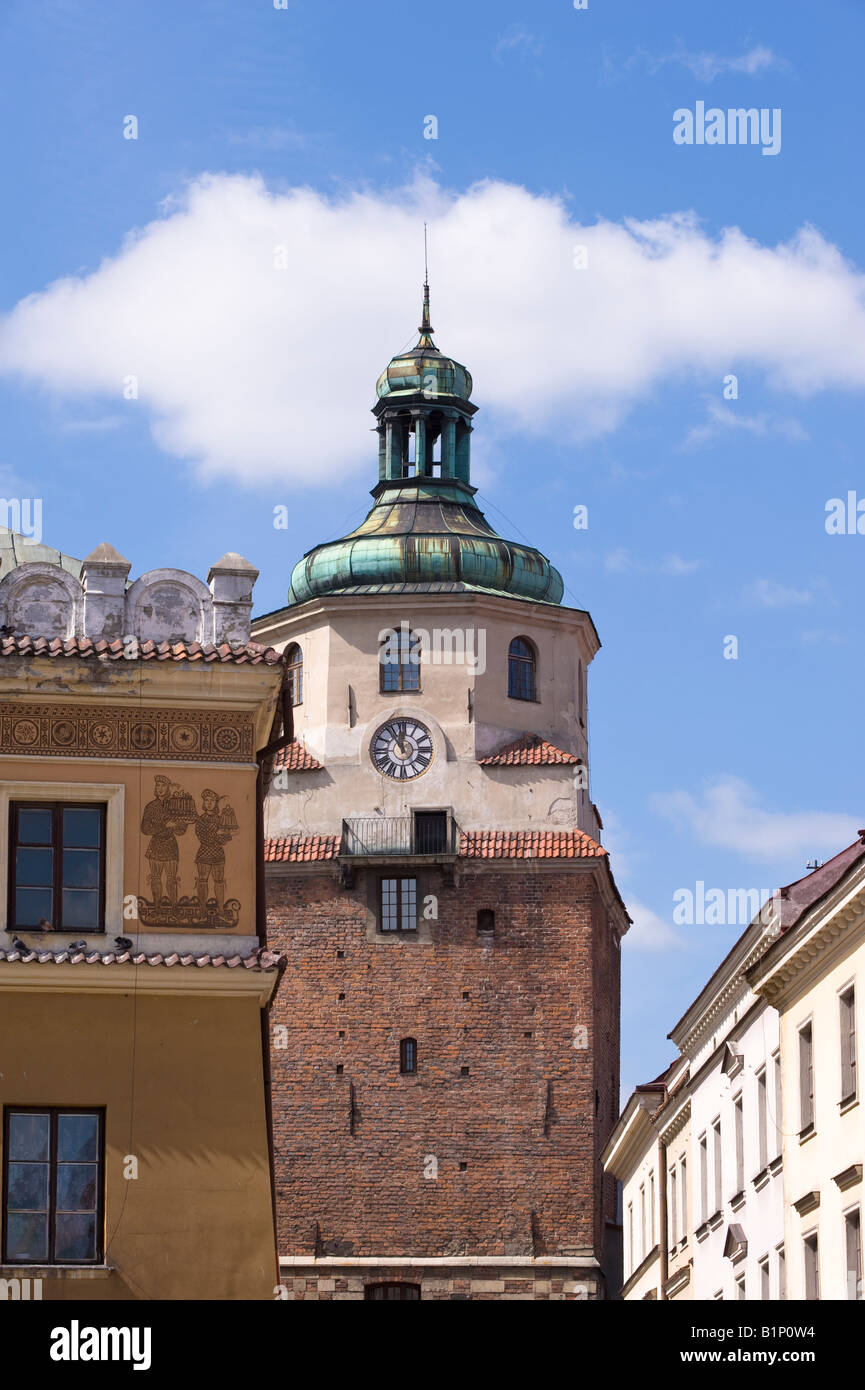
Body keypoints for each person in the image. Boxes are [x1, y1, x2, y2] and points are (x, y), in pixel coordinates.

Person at [140, 775, 189, 904]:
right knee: (155, 878)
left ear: (168, 788)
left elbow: (181, 830)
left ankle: (174, 907)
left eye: (164, 785)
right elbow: (145, 828)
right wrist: (164, 825)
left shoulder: (175, 805)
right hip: (155, 845)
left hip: (170, 845)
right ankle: (157, 907)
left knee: (171, 879)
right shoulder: (150, 806)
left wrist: (179, 824)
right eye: (158, 785)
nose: (160, 788)